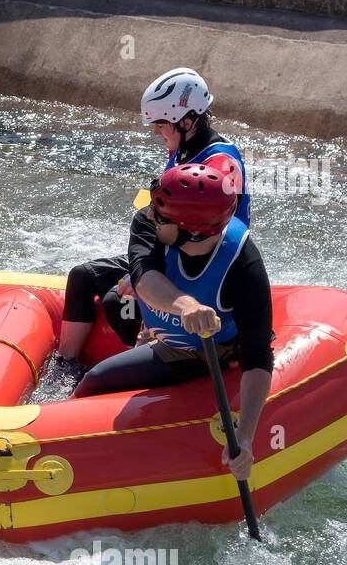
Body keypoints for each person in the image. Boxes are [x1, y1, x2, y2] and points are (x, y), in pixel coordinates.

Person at [73, 164, 273, 480]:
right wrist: (187, 306)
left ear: (191, 230)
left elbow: (259, 358)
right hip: (169, 330)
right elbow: (145, 280)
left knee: (98, 378)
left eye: (161, 215)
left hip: (211, 349)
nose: (151, 215)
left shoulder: (244, 266)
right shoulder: (147, 223)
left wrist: (246, 438)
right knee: (97, 364)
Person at [58, 67, 249, 361]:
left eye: (161, 124)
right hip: (168, 250)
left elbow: (210, 237)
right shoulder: (183, 148)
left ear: (186, 121)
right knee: (83, 276)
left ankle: (148, 359)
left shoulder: (221, 164)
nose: (156, 131)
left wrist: (142, 277)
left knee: (117, 302)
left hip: (203, 266)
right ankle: (65, 365)